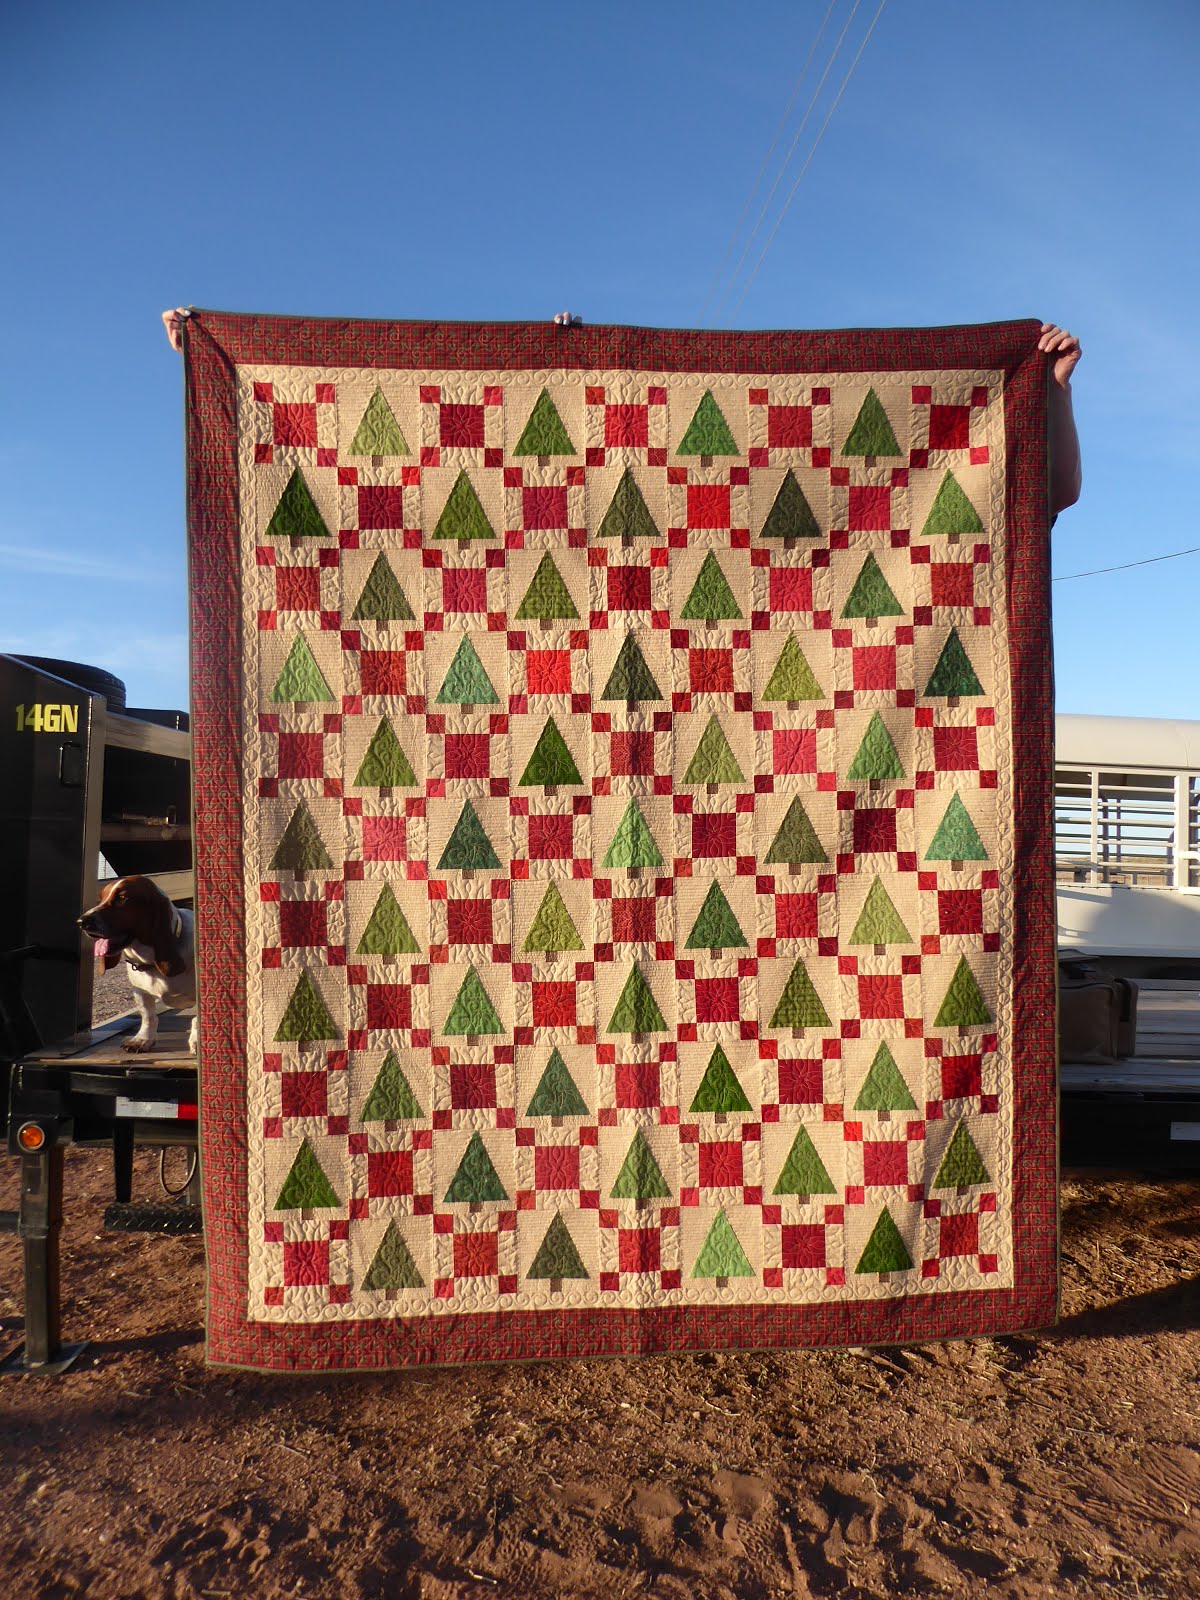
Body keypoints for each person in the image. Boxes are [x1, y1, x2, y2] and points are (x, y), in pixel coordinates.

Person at [160, 309, 1081, 513]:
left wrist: (1050, 397)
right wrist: (223, 376)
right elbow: (367, 497)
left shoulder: (752, 506)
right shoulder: (527, 514)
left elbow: (1051, 497)